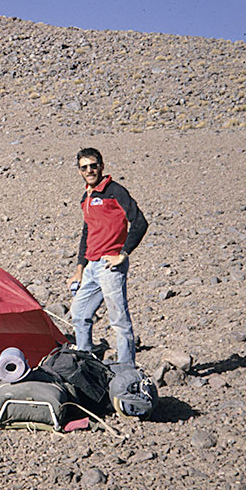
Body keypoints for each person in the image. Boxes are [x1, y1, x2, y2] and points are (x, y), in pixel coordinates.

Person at [66, 147, 148, 365]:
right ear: (79, 171)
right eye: (84, 167)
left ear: (101, 166)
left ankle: (127, 367)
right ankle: (86, 363)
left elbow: (139, 222)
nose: (89, 170)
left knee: (119, 320)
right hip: (91, 267)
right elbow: (87, 233)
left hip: (110, 266)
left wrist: (123, 254)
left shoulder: (115, 191)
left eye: (93, 166)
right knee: (79, 313)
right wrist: (79, 269)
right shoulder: (86, 197)